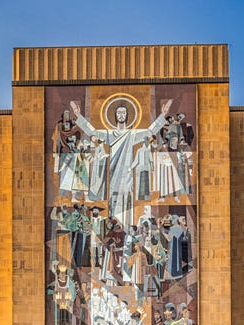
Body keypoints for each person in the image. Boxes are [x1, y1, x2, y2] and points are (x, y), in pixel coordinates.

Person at [70, 97, 172, 229]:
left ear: (127, 115)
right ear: (115, 115)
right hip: (113, 176)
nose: (121, 115)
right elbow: (93, 131)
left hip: (127, 178)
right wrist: (79, 116)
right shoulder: (109, 134)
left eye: (124, 112)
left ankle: (127, 232)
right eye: (119, 112)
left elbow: (149, 131)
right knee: (113, 208)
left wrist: (162, 115)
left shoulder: (132, 134)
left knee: (127, 206)